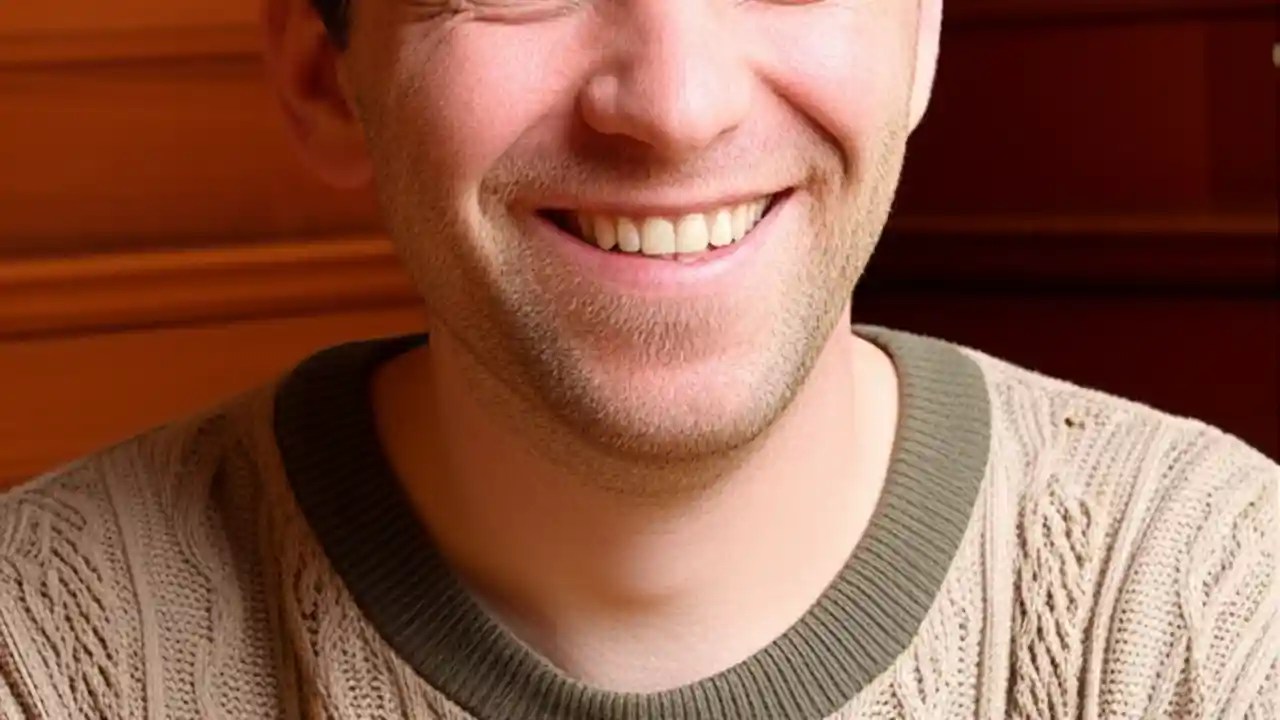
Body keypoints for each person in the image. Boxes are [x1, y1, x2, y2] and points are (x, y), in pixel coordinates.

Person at [1, 0, 1275, 717]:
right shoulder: (43, 658)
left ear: (922, 35)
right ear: (327, 79)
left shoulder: (1218, 612)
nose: (674, 106)